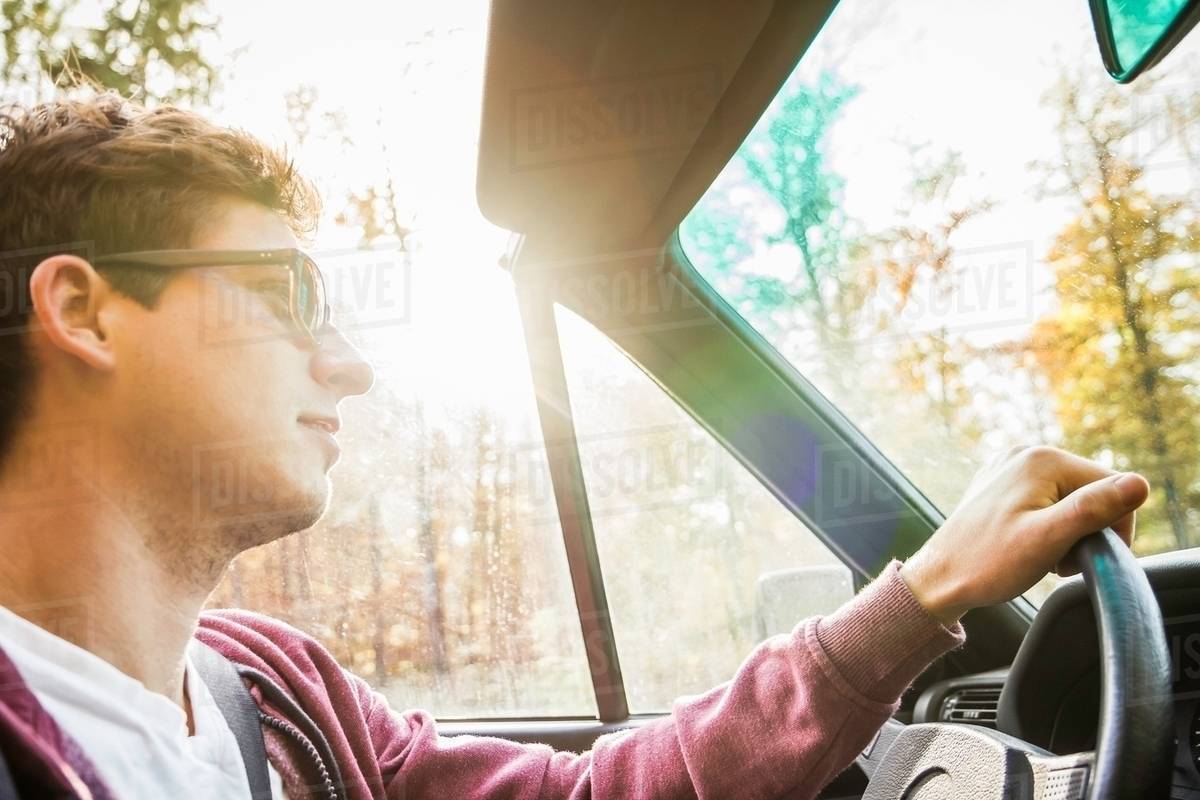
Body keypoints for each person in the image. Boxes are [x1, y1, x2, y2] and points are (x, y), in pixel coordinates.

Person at [0, 93, 1150, 800]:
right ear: (85, 311)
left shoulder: (280, 692)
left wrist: (928, 586)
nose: (348, 360)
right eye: (288, 291)